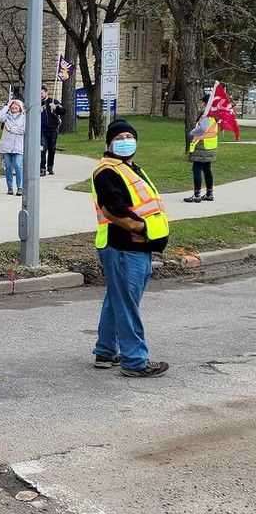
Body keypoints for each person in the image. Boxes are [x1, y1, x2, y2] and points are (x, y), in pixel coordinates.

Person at [91, 119, 170, 377]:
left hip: (131, 247)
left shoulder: (130, 168)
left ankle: (105, 351)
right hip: (124, 246)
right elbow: (112, 209)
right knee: (127, 305)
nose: (126, 141)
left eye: (129, 136)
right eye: (120, 137)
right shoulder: (107, 170)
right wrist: (143, 230)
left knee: (117, 300)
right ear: (110, 143)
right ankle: (135, 361)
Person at [184, 95, 219, 202]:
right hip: (210, 147)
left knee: (196, 169)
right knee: (207, 169)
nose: (200, 105)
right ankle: (209, 193)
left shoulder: (206, 116)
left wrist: (192, 132)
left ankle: (197, 195)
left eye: (202, 103)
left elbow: (203, 128)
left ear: (206, 104)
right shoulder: (214, 116)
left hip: (202, 146)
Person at [0, 99, 26, 195]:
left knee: (18, 165)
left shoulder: (23, 117)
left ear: (20, 108)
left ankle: (20, 186)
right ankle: (10, 187)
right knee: (8, 167)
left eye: (16, 108)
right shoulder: (7, 116)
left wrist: (11, 129)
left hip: (17, 146)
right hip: (7, 145)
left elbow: (23, 130)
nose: (13, 110)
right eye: (12, 108)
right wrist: (6, 106)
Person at [40, 85, 66, 176]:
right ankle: (42, 168)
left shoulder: (54, 101)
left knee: (52, 149)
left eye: (42, 93)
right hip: (42, 129)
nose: (41, 96)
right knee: (42, 149)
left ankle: (50, 167)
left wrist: (56, 108)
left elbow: (63, 111)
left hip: (53, 129)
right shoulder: (37, 103)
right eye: (39, 94)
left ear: (46, 92)